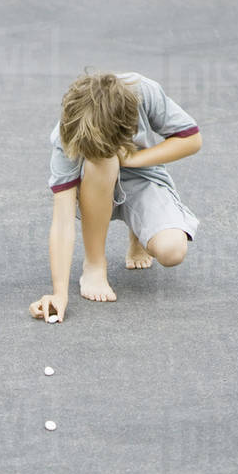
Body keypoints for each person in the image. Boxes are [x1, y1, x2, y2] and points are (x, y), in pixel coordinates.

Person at [29, 69, 202, 323]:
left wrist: (134, 159)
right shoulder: (69, 129)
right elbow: (63, 220)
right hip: (93, 184)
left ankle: (139, 237)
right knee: (104, 162)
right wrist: (59, 293)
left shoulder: (144, 91)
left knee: (172, 251)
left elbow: (192, 140)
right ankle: (95, 264)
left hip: (142, 175)